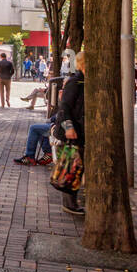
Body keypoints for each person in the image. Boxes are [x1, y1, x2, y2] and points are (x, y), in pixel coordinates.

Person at [56, 52, 86, 215]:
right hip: (74, 131)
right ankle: (69, 203)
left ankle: (71, 201)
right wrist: (69, 128)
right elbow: (65, 107)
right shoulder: (75, 82)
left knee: (76, 166)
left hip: (80, 129)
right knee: (73, 166)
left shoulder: (83, 81)